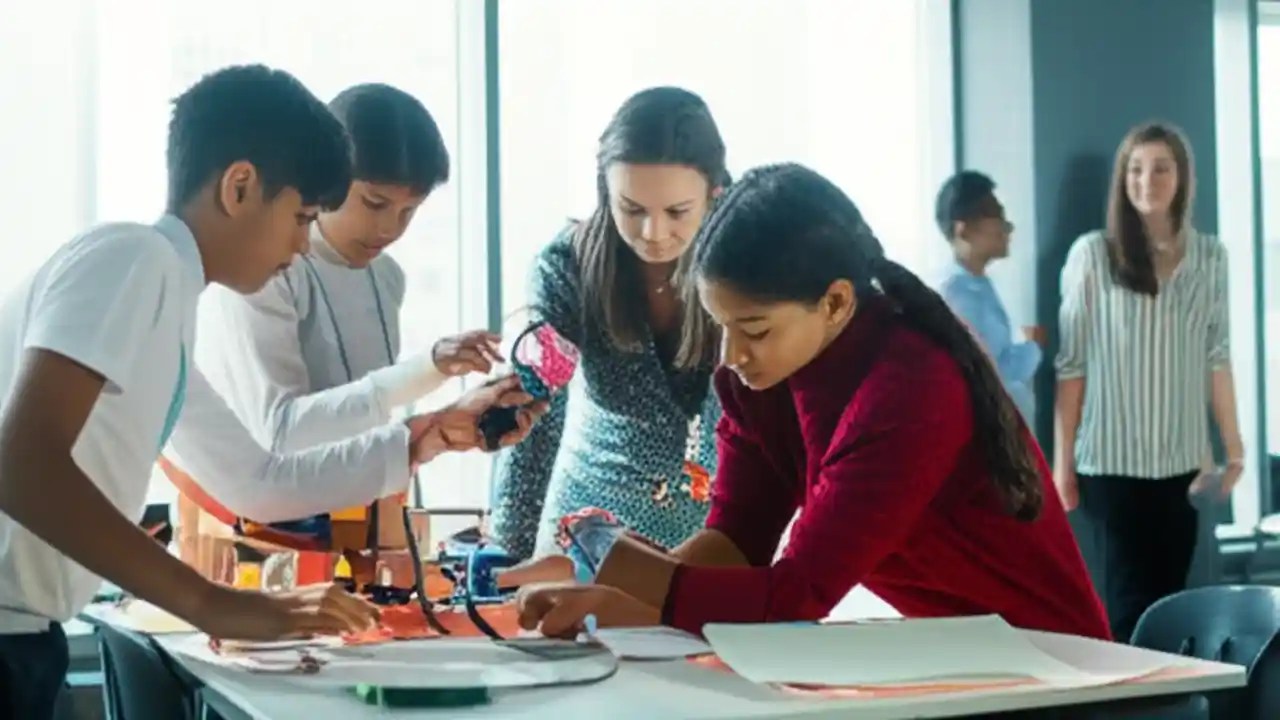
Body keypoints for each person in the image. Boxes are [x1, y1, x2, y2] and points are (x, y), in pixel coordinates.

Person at [508, 163, 1111, 642]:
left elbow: (793, 599)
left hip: (1048, 670)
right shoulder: (763, 377)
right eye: (723, 327)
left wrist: (605, 558)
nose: (734, 355)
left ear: (835, 304)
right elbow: (735, 543)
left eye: (755, 329)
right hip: (952, 657)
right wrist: (623, 599)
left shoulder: (909, 389)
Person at [0, 64, 377, 719]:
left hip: (28, 638)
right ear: (239, 186)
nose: (303, 244)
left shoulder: (171, 298)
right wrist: (213, 603)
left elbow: (254, 475)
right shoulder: (132, 258)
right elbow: (20, 464)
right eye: (301, 215)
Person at [194, 83, 505, 479]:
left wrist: (447, 417)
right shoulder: (266, 271)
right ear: (329, 179)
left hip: (352, 514)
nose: (390, 229)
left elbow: (365, 432)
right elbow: (280, 435)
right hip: (255, 523)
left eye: (409, 211)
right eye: (374, 204)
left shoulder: (388, 276)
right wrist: (426, 369)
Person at [489, 87, 728, 559]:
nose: (652, 233)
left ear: (715, 192)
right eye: (632, 209)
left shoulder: (751, 263)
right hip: (582, 540)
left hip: (715, 541)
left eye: (677, 212)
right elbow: (534, 404)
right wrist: (507, 550)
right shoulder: (570, 263)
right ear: (605, 190)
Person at [1053, 122, 1243, 642]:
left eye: (1161, 167)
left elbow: (1217, 357)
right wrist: (1061, 464)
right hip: (1110, 465)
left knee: (1171, 603)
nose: (1147, 179)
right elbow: (1072, 368)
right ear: (1122, 179)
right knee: (1128, 603)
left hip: (1181, 464)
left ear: (1181, 177)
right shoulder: (1092, 255)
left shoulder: (1211, 257)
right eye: (1136, 169)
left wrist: (1235, 449)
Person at [935, 171, 1044, 420]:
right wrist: (1032, 349)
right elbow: (993, 374)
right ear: (963, 229)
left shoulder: (977, 285)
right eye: (997, 216)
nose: (1007, 227)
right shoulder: (957, 296)